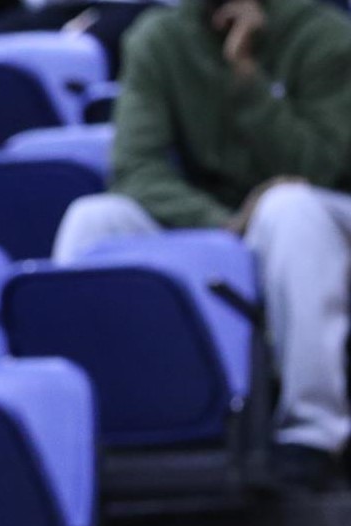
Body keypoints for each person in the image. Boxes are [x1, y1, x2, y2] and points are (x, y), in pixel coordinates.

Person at [49, 0, 351, 492]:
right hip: (223, 219)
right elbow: (134, 169)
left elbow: (321, 165)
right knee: (95, 218)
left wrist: (247, 77)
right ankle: (82, 433)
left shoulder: (324, 34)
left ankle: (313, 432)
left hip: (329, 215)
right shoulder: (159, 37)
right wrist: (221, 224)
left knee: (289, 208)